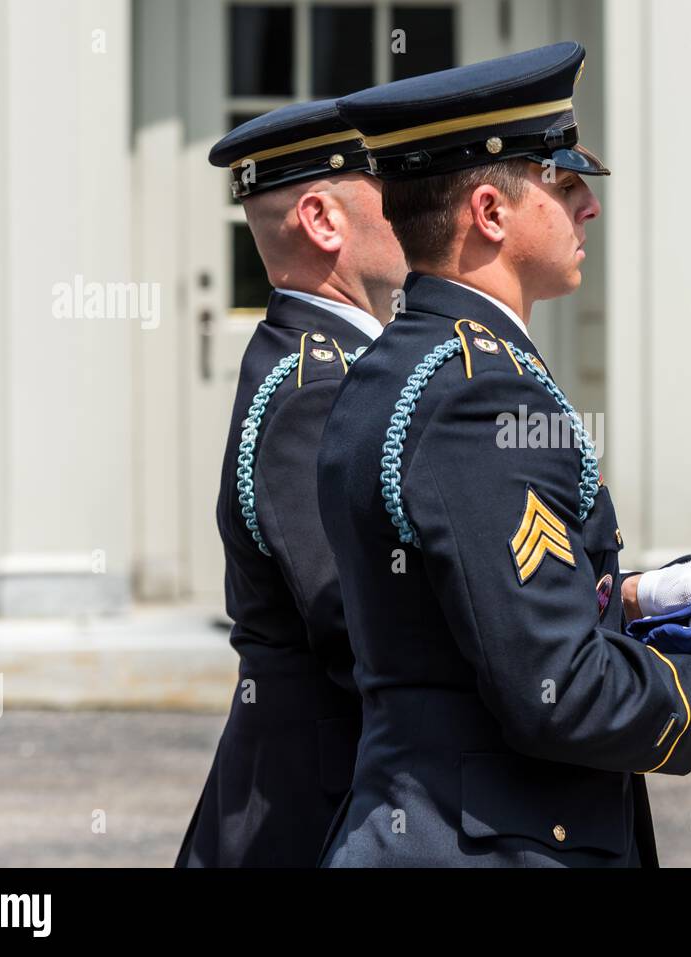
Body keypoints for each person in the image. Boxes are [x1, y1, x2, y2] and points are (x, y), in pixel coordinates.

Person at [315, 42, 691, 867]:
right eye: (563, 181)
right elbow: (556, 690)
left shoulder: (408, 359)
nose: (588, 206)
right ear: (490, 212)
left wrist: (631, 598)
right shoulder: (478, 392)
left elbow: (462, 609)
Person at [175, 98, 407, 866]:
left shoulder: (333, 362)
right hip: (309, 807)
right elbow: (354, 617)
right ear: (323, 219)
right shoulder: (318, 383)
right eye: (393, 182)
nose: (417, 199)